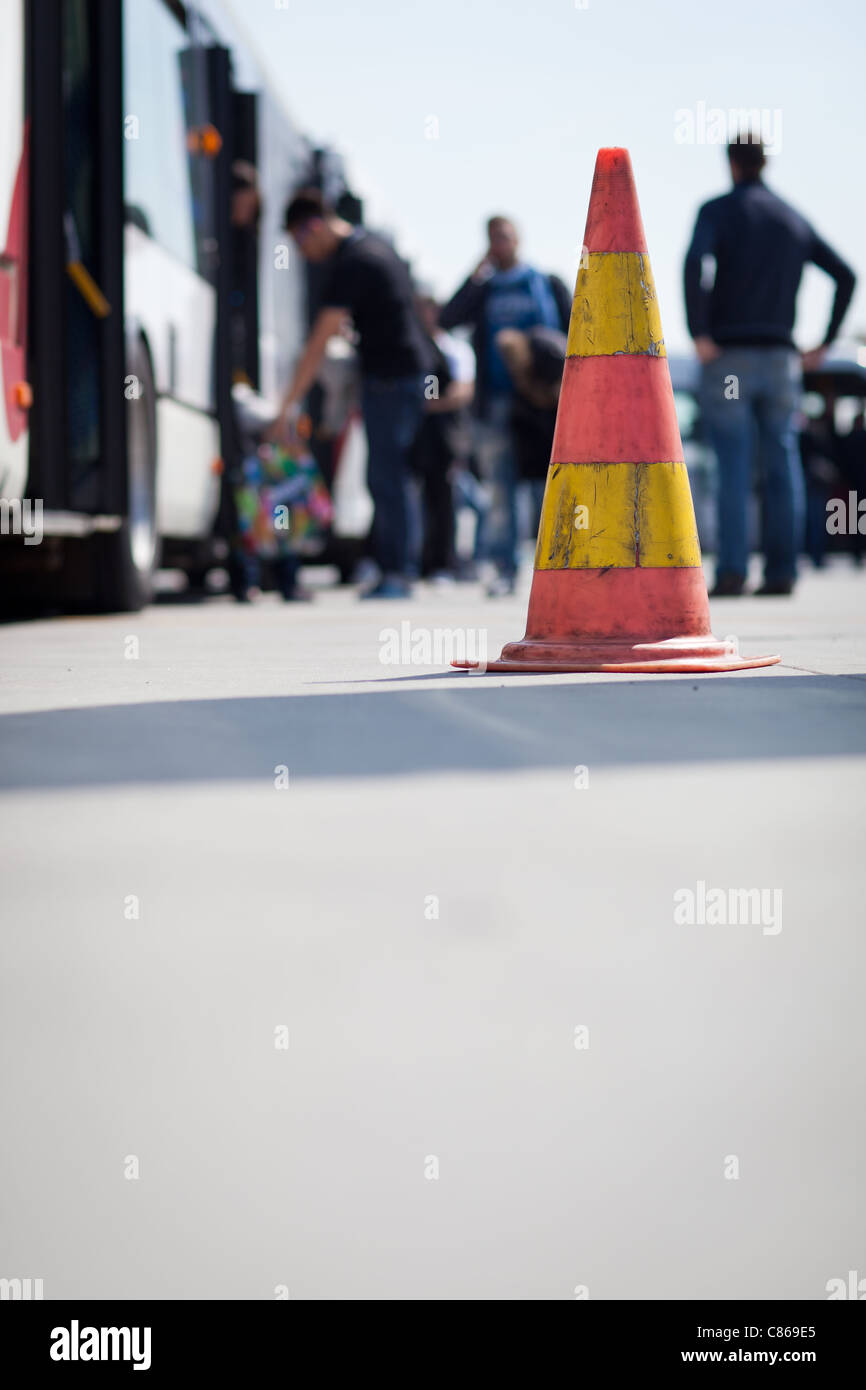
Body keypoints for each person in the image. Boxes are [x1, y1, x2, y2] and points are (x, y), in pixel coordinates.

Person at [684, 132, 856, 596]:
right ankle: (783, 572)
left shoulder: (717, 210)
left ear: (732, 163)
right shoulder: (791, 217)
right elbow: (846, 274)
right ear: (765, 163)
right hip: (783, 359)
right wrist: (822, 343)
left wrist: (698, 330)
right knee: (783, 463)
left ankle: (734, 571)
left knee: (734, 463)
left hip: (732, 360)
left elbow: (694, 263)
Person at [271, 190, 430, 598]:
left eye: (301, 242)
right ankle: (397, 570)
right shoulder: (373, 248)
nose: (304, 254)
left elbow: (317, 343)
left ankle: (398, 574)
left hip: (392, 380)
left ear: (314, 226)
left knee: (386, 476)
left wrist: (285, 407)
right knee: (387, 474)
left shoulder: (353, 262)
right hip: (402, 376)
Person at [440, 216, 571, 595]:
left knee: (550, 489)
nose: (501, 244)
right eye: (494, 239)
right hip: (496, 404)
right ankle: (504, 570)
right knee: (501, 489)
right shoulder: (484, 289)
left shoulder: (547, 284)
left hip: (543, 405)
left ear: (519, 239)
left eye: (507, 237)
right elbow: (449, 318)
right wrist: (477, 271)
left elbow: (575, 332)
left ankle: (556, 570)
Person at [410, 292, 475, 580]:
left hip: (445, 434)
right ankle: (415, 561)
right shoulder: (411, 346)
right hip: (414, 433)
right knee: (411, 498)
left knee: (444, 499)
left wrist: (428, 404)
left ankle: (443, 563)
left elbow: (462, 391)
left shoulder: (454, 349)